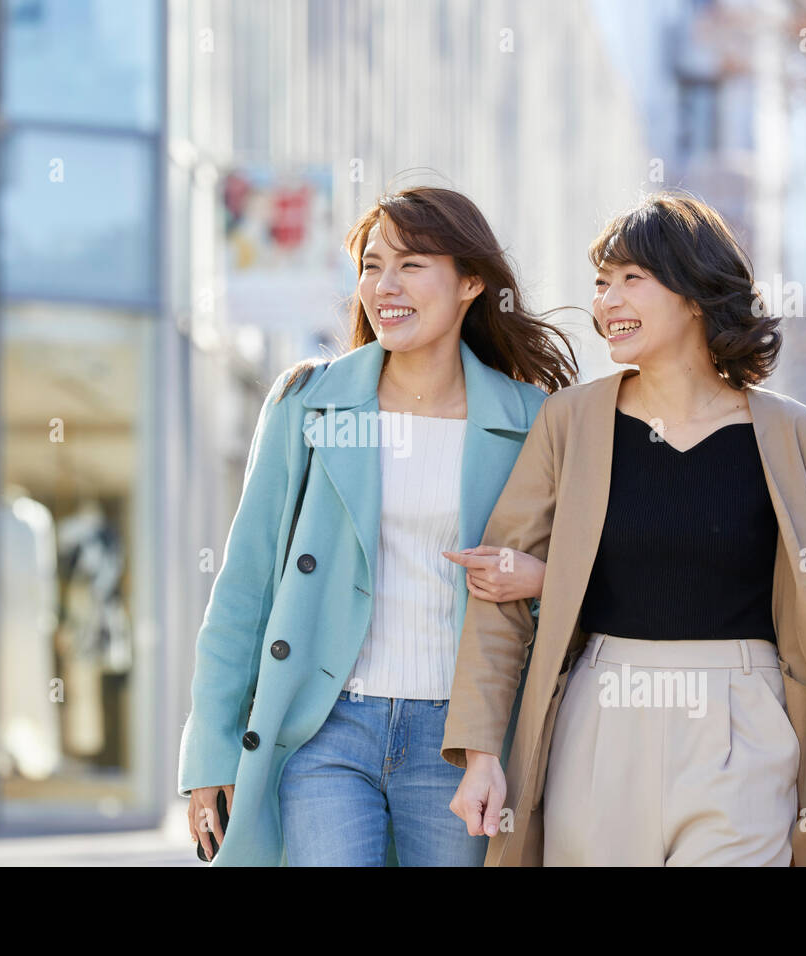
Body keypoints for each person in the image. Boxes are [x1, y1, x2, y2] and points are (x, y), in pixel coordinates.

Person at [443, 191, 806, 866]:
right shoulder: (571, 424)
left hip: (745, 726)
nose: (606, 303)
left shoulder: (794, 436)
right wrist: (481, 752)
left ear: (697, 295)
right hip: (601, 719)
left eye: (630, 280)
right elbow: (497, 596)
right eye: (601, 284)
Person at [179, 186, 577, 865]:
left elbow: (569, 586)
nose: (383, 286)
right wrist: (211, 750)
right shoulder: (308, 402)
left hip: (460, 737)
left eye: (412, 264)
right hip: (325, 730)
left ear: (471, 282)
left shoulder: (531, 419)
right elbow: (244, 587)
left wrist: (536, 582)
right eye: (370, 265)